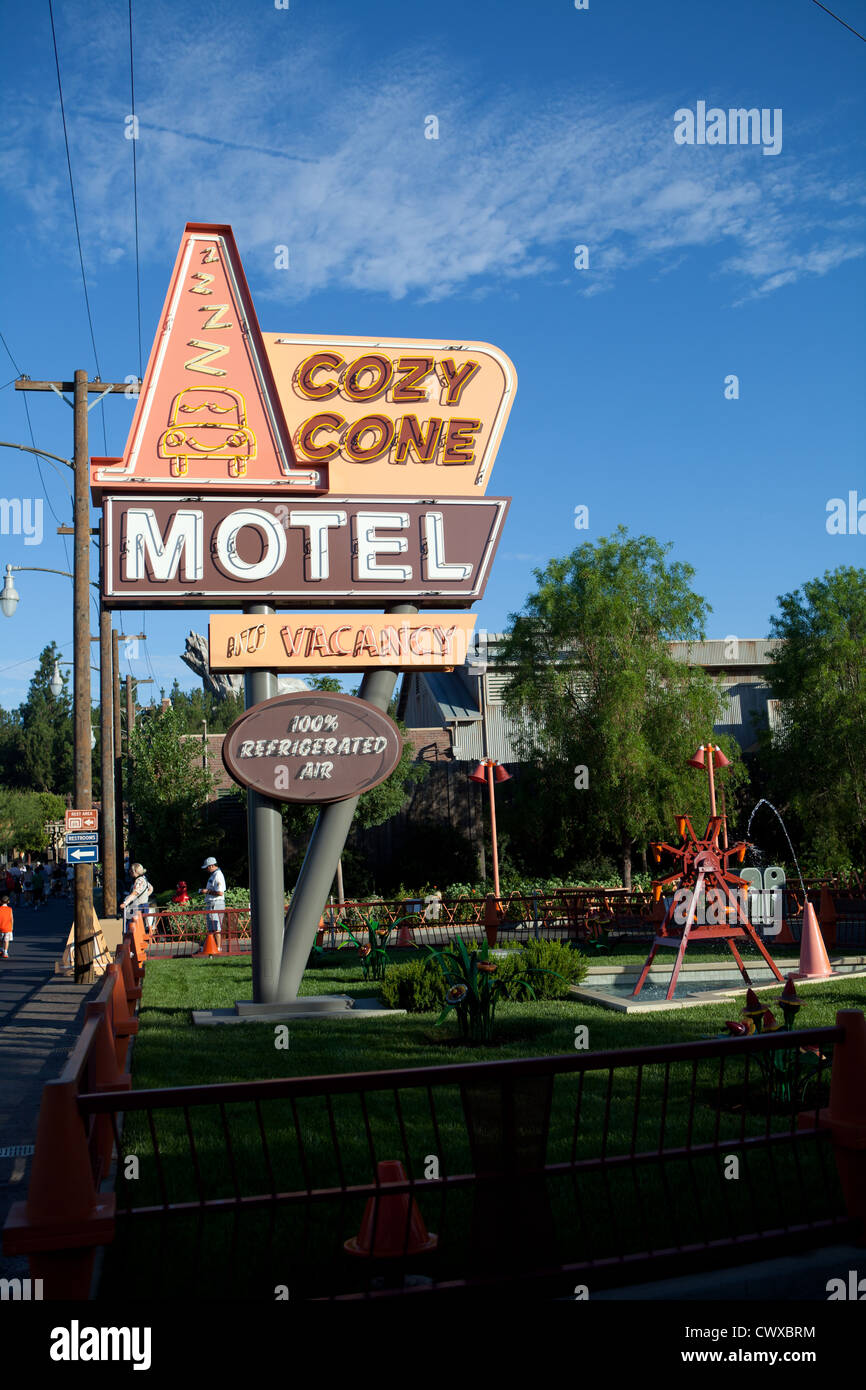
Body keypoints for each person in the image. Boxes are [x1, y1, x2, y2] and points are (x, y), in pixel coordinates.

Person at [201, 856, 226, 953]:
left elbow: (220, 892)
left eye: (207, 867)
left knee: (216, 926)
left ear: (211, 866)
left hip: (216, 903)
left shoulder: (218, 875)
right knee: (212, 926)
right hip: (212, 903)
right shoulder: (214, 875)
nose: (206, 869)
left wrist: (206, 891)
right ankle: (211, 946)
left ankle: (218, 947)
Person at [120, 863, 153, 933]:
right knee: (141, 927)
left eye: (131, 871)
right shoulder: (144, 879)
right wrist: (144, 896)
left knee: (132, 927)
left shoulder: (139, 880)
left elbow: (135, 893)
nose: (129, 872)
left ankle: (132, 943)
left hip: (138, 907)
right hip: (144, 906)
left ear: (135, 871)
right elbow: (151, 888)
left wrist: (125, 903)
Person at [0, 893, 13, 958]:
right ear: (8, 901)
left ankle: (0, 949)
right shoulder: (10, 909)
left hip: (0, 927)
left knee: (0, 939)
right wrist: (12, 926)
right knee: (6, 940)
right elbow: (11, 918)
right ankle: (5, 952)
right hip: (8, 927)